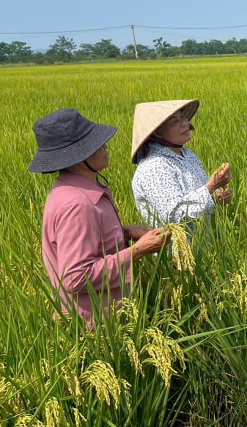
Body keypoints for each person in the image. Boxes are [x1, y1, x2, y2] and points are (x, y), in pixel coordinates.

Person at [29, 109, 168, 325]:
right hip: (94, 327)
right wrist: (138, 251)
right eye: (95, 144)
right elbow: (75, 277)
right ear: (77, 157)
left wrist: (127, 232)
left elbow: (91, 239)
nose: (105, 146)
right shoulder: (76, 204)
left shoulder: (75, 189)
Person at [131, 100, 231, 227]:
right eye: (174, 121)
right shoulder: (154, 167)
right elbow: (173, 215)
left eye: (182, 117)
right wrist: (211, 188)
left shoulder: (188, 155)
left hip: (202, 242)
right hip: (175, 245)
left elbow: (197, 195)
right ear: (156, 132)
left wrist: (215, 197)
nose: (184, 123)